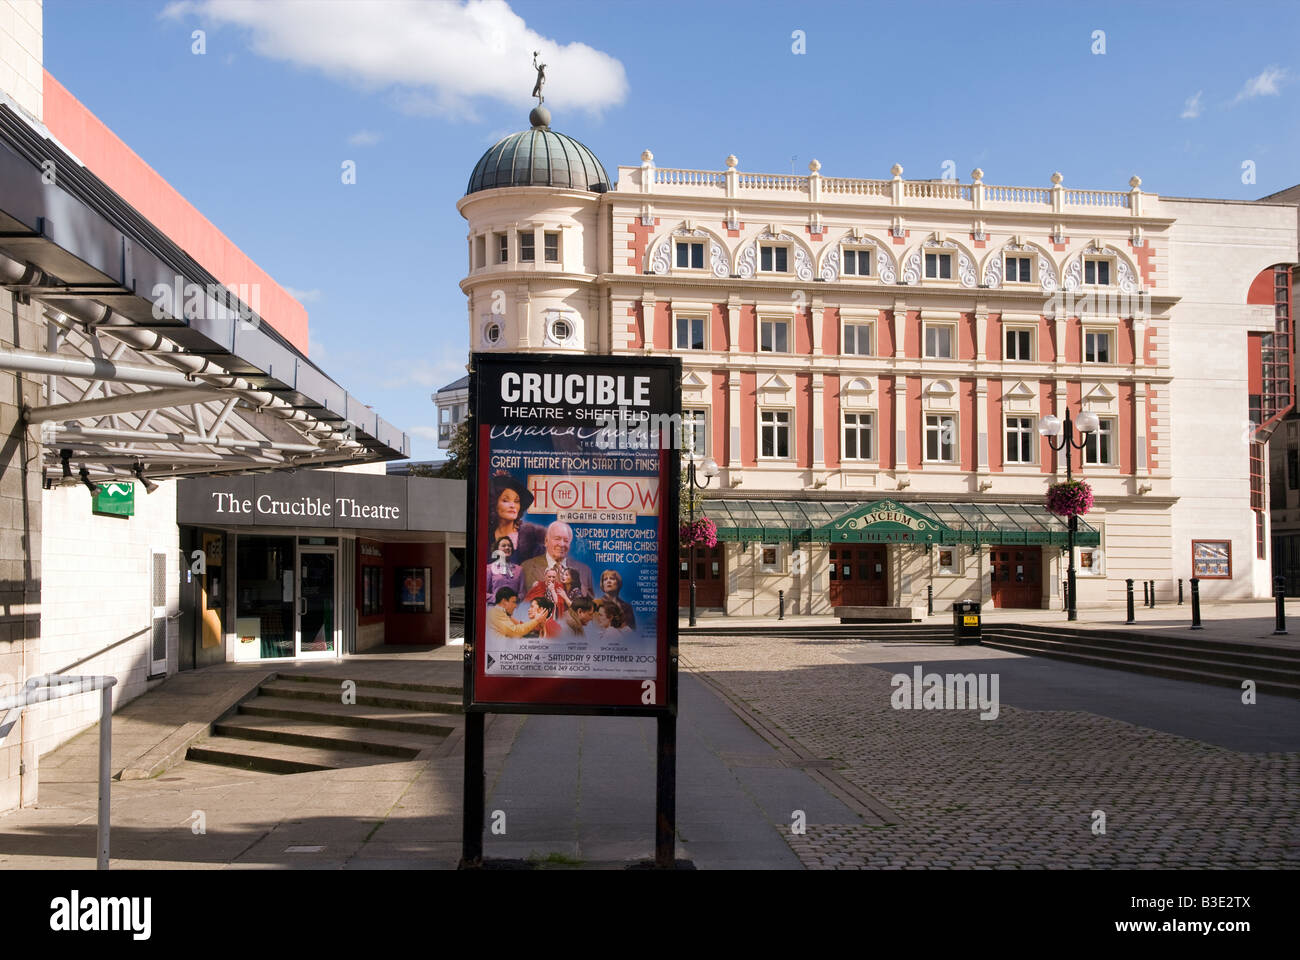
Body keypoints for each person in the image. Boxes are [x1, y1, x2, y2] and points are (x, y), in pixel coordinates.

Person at [520, 520, 593, 598]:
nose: (562, 544)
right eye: (557, 539)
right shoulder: (527, 568)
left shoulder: (585, 571)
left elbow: (590, 606)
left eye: (566, 540)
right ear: (546, 541)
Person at [489, 472, 546, 564]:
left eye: (516, 501)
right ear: (494, 503)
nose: (512, 505)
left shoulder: (533, 543)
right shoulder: (485, 536)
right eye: (505, 500)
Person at [485, 536, 522, 603]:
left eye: (509, 546)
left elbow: (522, 593)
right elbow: (484, 593)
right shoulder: (489, 568)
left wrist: (513, 600)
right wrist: (498, 599)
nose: (507, 548)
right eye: (503, 546)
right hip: (494, 608)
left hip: (514, 609)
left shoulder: (519, 570)